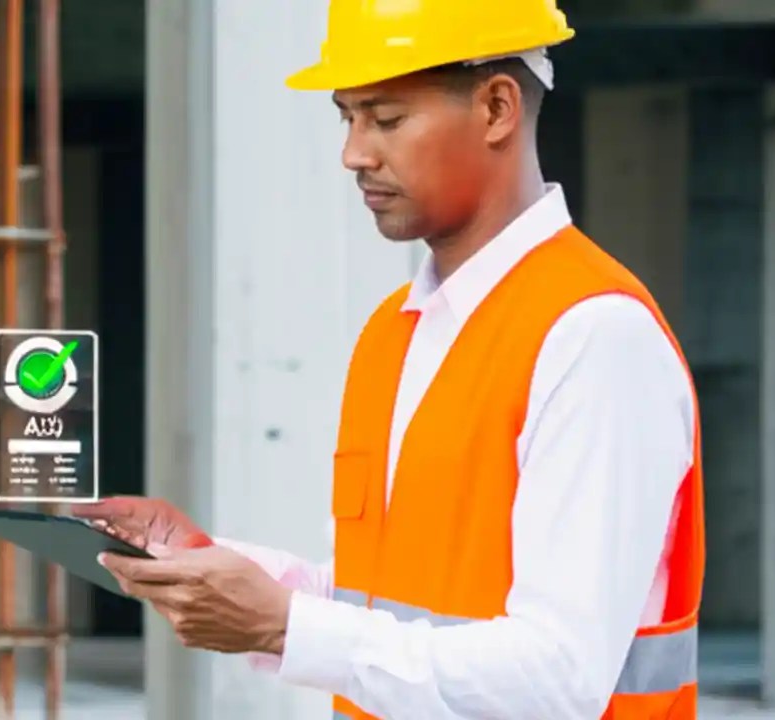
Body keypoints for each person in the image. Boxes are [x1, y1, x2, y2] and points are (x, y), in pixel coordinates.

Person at [75, 1, 705, 718]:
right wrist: (213, 569)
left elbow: (558, 678)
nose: (354, 153)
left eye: (385, 118)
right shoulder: (395, 331)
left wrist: (286, 623)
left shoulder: (593, 336)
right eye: (346, 117)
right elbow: (384, 601)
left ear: (497, 106)